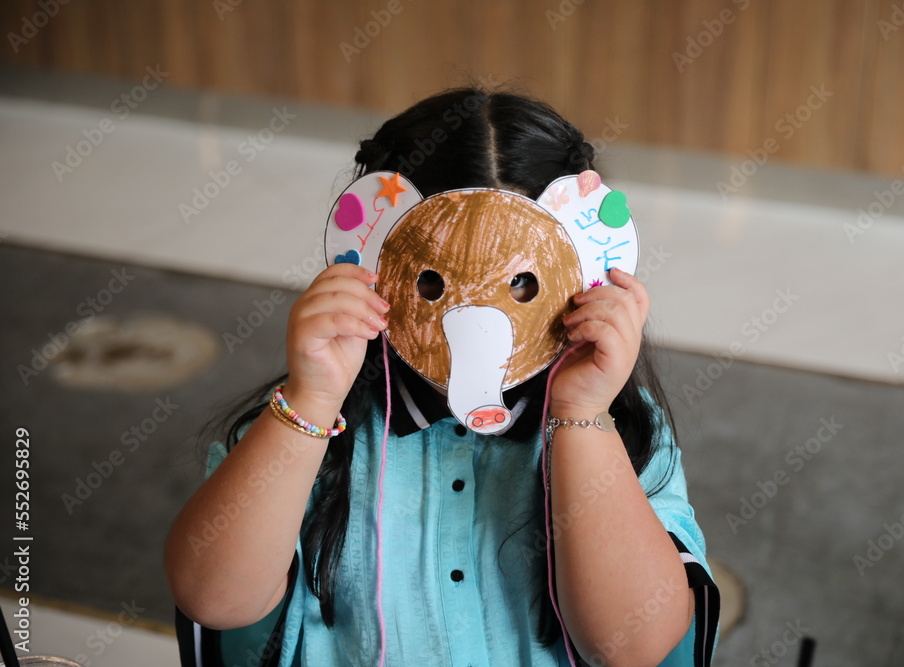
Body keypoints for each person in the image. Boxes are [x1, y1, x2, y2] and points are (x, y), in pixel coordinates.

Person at [165, 87, 719, 667]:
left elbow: (633, 647)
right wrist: (314, 396)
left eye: (521, 285)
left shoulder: (622, 429)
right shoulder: (307, 420)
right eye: (433, 282)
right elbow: (214, 600)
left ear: (586, 268)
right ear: (371, 258)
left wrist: (582, 415)